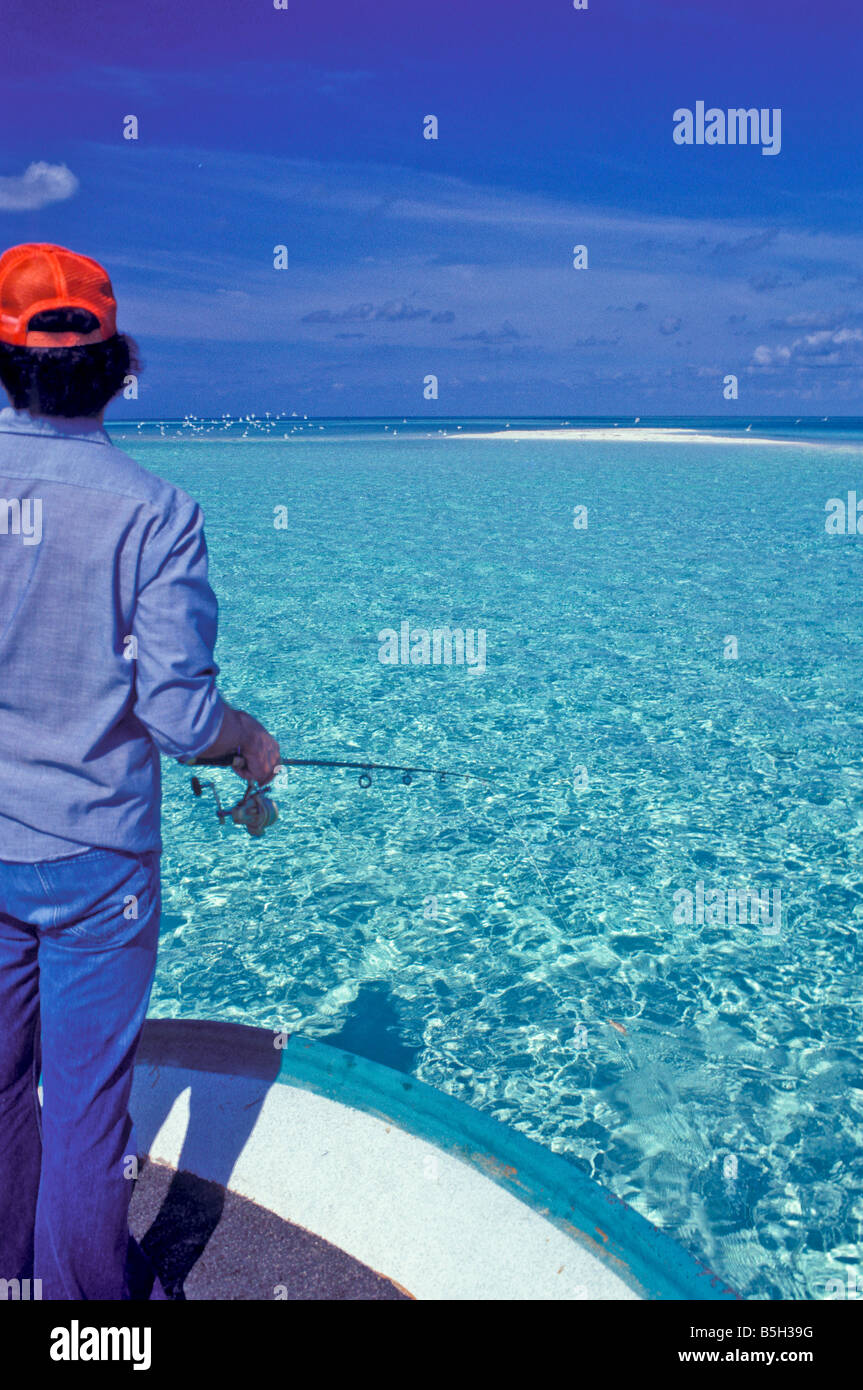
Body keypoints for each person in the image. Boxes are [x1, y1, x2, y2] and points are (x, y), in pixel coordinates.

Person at [0, 243, 280, 1300]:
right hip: (95, 863)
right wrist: (245, 734)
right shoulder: (156, 514)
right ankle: (87, 1315)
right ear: (117, 362)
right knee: (83, 1113)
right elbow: (177, 718)